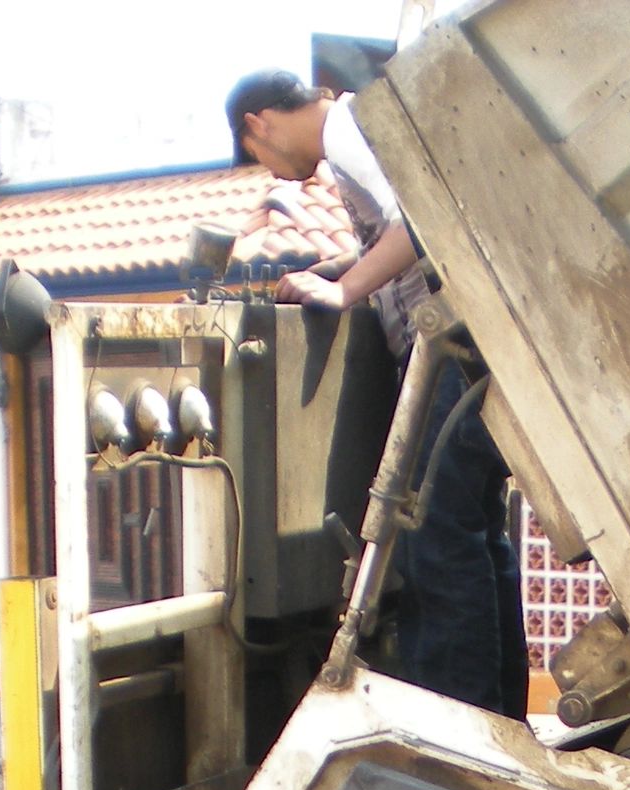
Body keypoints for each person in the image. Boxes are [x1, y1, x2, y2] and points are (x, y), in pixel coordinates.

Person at [226, 71, 529, 722]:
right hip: (475, 344)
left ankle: (461, 728)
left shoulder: (352, 127)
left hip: (451, 344)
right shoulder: (354, 139)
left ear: (259, 123)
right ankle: (500, 718)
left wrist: (344, 290)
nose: (277, 176)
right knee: (475, 531)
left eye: (259, 158)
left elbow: (417, 222)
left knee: (430, 533)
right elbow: (399, 238)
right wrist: (337, 270)